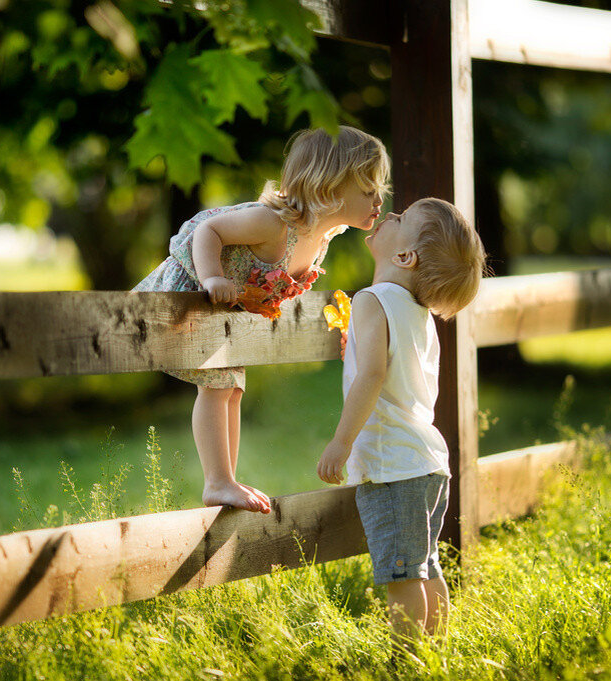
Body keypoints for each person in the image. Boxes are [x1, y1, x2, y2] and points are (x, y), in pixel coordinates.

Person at [134, 126, 389, 514]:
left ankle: (226, 480)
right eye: (369, 190)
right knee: (218, 388)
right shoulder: (274, 224)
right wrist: (212, 278)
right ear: (330, 188)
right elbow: (209, 230)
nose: (378, 199)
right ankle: (217, 481)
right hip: (186, 294)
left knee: (232, 389)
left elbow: (282, 285)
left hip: (224, 313)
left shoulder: (324, 236)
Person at [316, 197, 486, 643]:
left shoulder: (371, 300)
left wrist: (341, 442)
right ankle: (433, 653)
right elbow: (390, 368)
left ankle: (405, 659)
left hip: (394, 469)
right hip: (427, 463)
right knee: (424, 566)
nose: (390, 213)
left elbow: (373, 373)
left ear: (404, 257)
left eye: (402, 218)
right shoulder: (418, 315)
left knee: (401, 577)